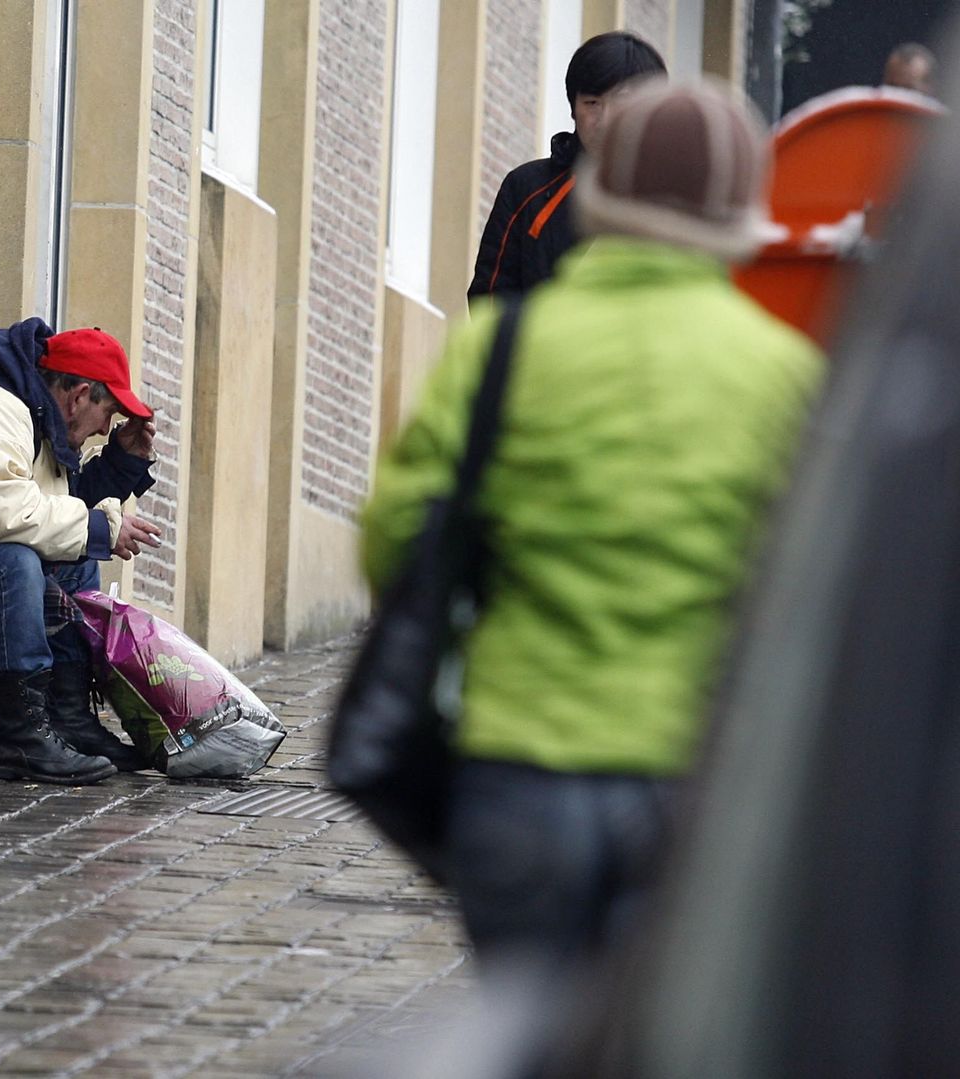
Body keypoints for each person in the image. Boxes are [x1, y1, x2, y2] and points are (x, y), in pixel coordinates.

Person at [361, 82, 822, 968]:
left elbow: (395, 539)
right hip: (702, 780)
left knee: (530, 1015)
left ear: (603, 191)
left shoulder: (501, 351)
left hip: (516, 766)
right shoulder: (787, 377)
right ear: (740, 215)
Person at [0, 319, 163, 784]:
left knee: (76, 554)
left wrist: (120, 463)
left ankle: (67, 720)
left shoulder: (36, 413)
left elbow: (58, 508)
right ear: (79, 394)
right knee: (16, 563)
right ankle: (18, 736)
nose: (107, 428)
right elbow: (0, 515)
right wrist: (98, 528)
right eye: (108, 415)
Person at [469, 31, 667, 299]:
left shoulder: (679, 203)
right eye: (592, 103)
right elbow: (490, 299)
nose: (605, 119)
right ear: (573, 109)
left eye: (622, 102)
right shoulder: (528, 189)